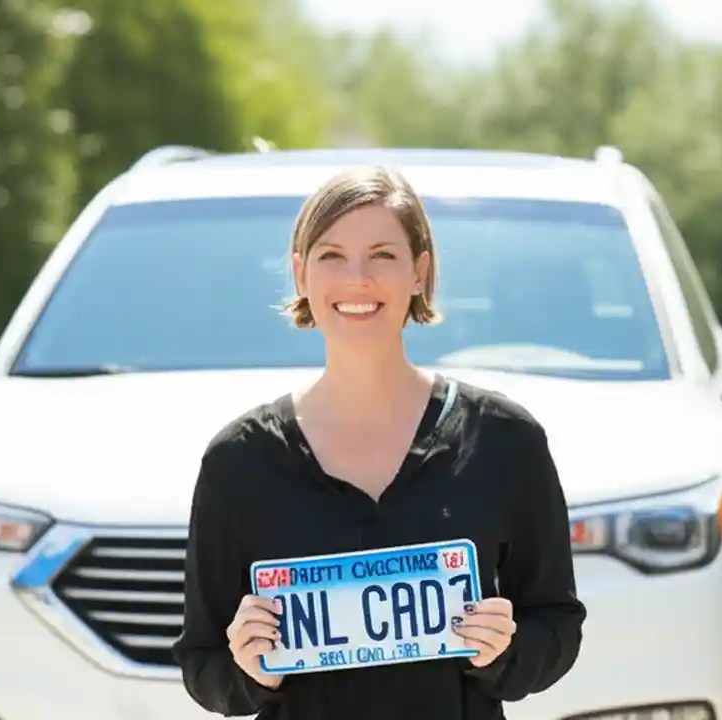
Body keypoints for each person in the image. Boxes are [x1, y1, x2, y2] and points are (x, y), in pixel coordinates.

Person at [170, 166, 586, 719]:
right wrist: (249, 669)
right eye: (332, 256)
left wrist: (505, 651)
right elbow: (203, 665)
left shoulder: (504, 440)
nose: (357, 279)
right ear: (300, 275)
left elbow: (556, 622)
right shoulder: (239, 462)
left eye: (383, 256)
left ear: (420, 272)